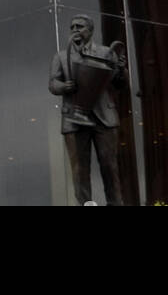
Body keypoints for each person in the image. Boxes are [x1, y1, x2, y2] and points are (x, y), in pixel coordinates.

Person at [48, 14, 126, 205]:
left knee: (109, 166)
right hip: (74, 119)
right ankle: (86, 204)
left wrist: (122, 70)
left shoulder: (107, 53)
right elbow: (52, 84)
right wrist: (64, 87)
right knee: (79, 169)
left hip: (103, 118)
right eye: (72, 26)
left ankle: (115, 203)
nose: (75, 30)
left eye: (80, 27)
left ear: (90, 31)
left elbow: (120, 84)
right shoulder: (61, 56)